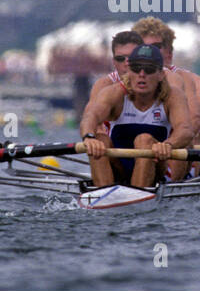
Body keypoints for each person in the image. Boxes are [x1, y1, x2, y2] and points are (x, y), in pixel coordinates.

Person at [79, 44, 193, 188]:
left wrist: (167, 145)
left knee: (144, 140)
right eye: (136, 68)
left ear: (161, 74)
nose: (142, 74)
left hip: (157, 166)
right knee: (99, 139)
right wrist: (88, 137)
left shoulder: (173, 96)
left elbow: (185, 130)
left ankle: (138, 198)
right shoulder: (114, 93)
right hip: (120, 168)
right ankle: (103, 195)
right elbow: (91, 117)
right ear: (129, 72)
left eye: (149, 69)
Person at [131, 17, 200, 180]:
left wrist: (187, 132)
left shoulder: (188, 79)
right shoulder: (128, 79)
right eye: (144, 47)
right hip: (143, 146)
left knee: (187, 131)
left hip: (181, 148)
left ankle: (172, 182)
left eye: (156, 47)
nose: (150, 53)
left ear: (169, 54)